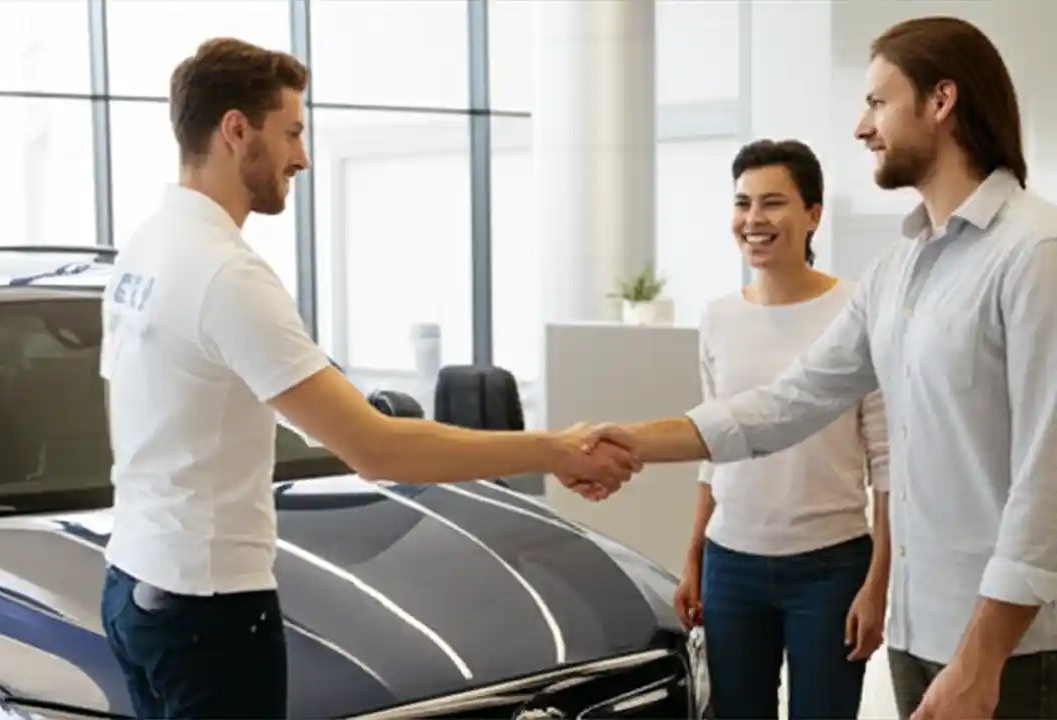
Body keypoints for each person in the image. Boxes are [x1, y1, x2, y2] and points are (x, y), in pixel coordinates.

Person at [98, 37, 637, 720]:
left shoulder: (144, 249)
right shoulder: (225, 273)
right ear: (236, 130)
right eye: (291, 132)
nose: (302, 157)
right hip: (208, 607)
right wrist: (554, 450)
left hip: (136, 585)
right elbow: (376, 448)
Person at [568, 16, 1057, 720]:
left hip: (1009, 647)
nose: (862, 127)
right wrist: (634, 440)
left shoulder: (1033, 252)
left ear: (942, 101)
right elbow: (786, 403)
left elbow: (1046, 478)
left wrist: (981, 658)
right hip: (920, 632)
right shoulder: (900, 270)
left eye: (878, 102)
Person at [679, 138, 891, 719]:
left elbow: (886, 461)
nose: (754, 219)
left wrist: (878, 583)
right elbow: (713, 447)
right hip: (731, 563)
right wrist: (695, 555)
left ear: (813, 215)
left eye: (772, 203)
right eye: (742, 203)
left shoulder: (856, 310)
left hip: (830, 567)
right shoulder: (719, 317)